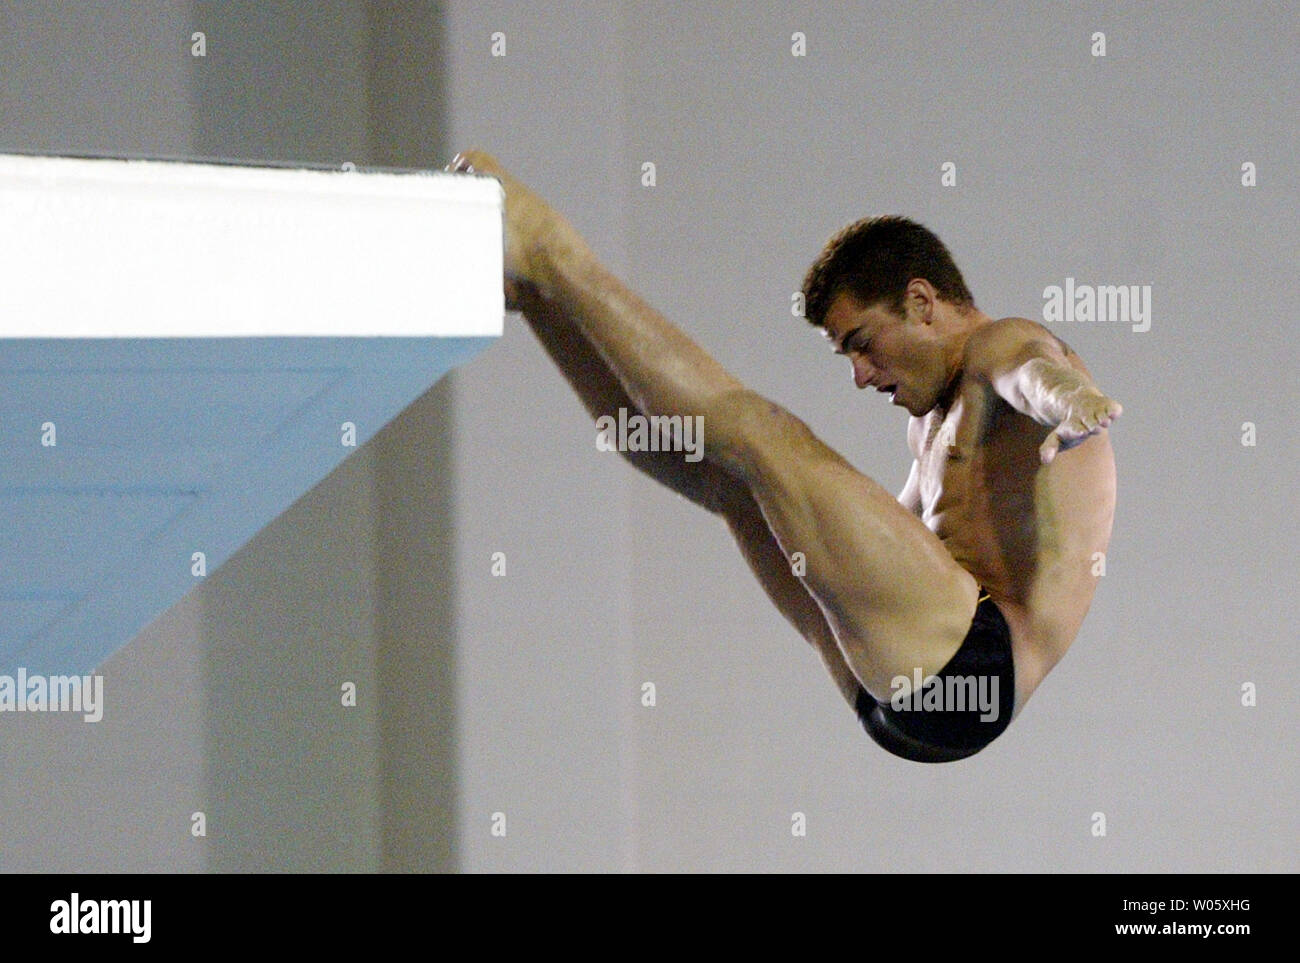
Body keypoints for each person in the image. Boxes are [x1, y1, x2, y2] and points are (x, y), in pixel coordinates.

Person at [448, 149, 1120, 762]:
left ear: (921, 302)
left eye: (863, 342)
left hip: (977, 666)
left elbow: (1031, 368)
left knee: (762, 433)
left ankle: (549, 248)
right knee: (727, 482)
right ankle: (537, 296)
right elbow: (884, 555)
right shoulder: (933, 428)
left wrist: (1071, 398)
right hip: (894, 696)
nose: (860, 374)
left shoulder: (1000, 344)